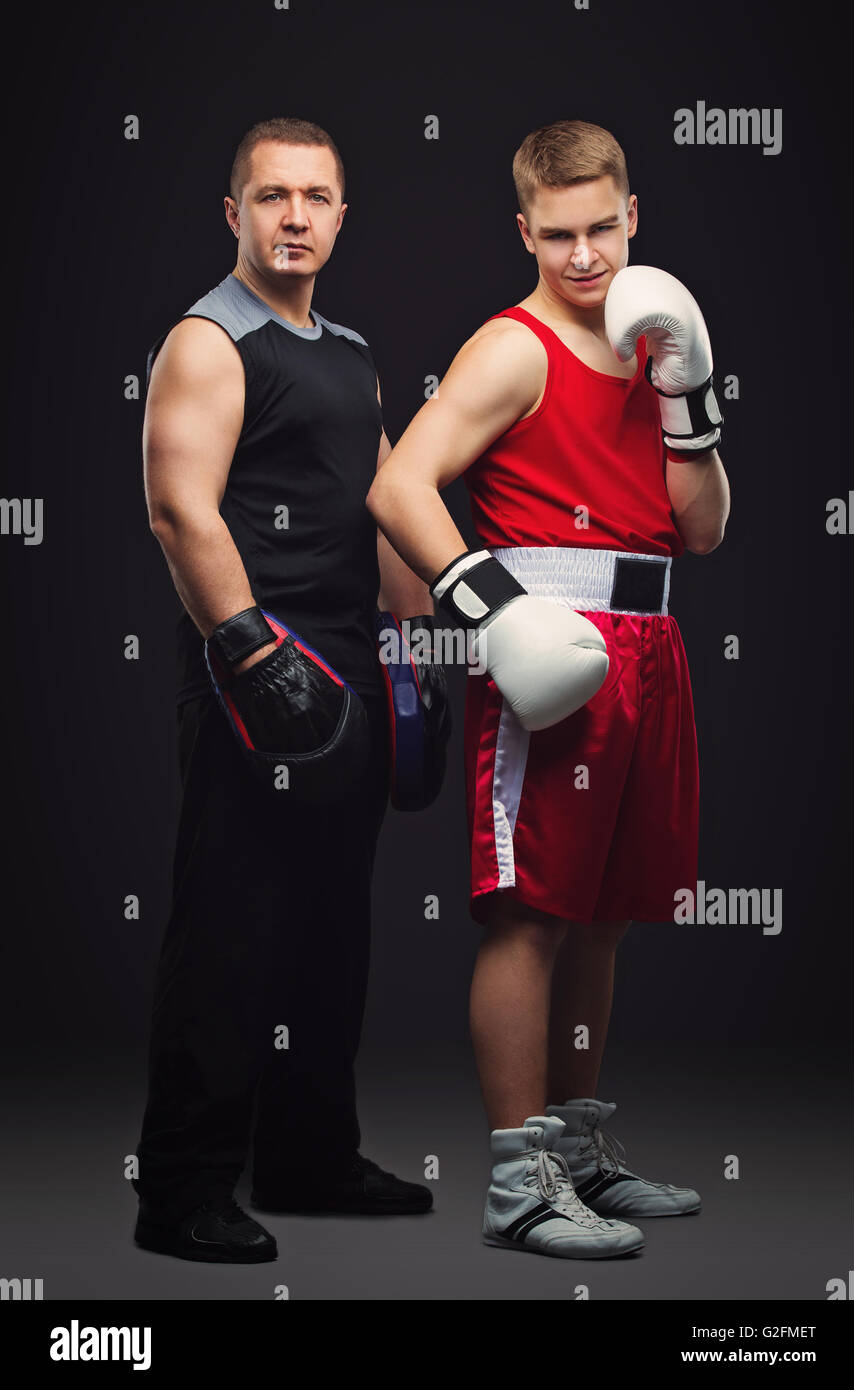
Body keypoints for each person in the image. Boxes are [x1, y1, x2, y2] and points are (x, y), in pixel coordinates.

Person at [366, 119, 730, 1260]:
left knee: (605, 915)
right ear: (524, 230)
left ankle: (574, 1155)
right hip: (548, 649)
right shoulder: (510, 347)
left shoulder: (653, 340)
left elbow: (702, 530)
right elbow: (399, 486)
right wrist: (493, 612)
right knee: (529, 913)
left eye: (600, 229)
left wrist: (687, 394)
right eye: (557, 234)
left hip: (648, 652)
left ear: (633, 216)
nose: (582, 256)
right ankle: (518, 1183)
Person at [133, 116, 444, 1263]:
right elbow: (180, 508)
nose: (296, 217)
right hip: (252, 675)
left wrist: (411, 652)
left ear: (341, 214)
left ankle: (308, 1157)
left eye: (315, 197)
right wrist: (253, 655)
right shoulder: (208, 341)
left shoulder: (351, 352)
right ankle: (179, 1188)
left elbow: (379, 510)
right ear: (235, 213)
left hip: (354, 672)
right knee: (230, 933)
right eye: (272, 197)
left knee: (327, 933)